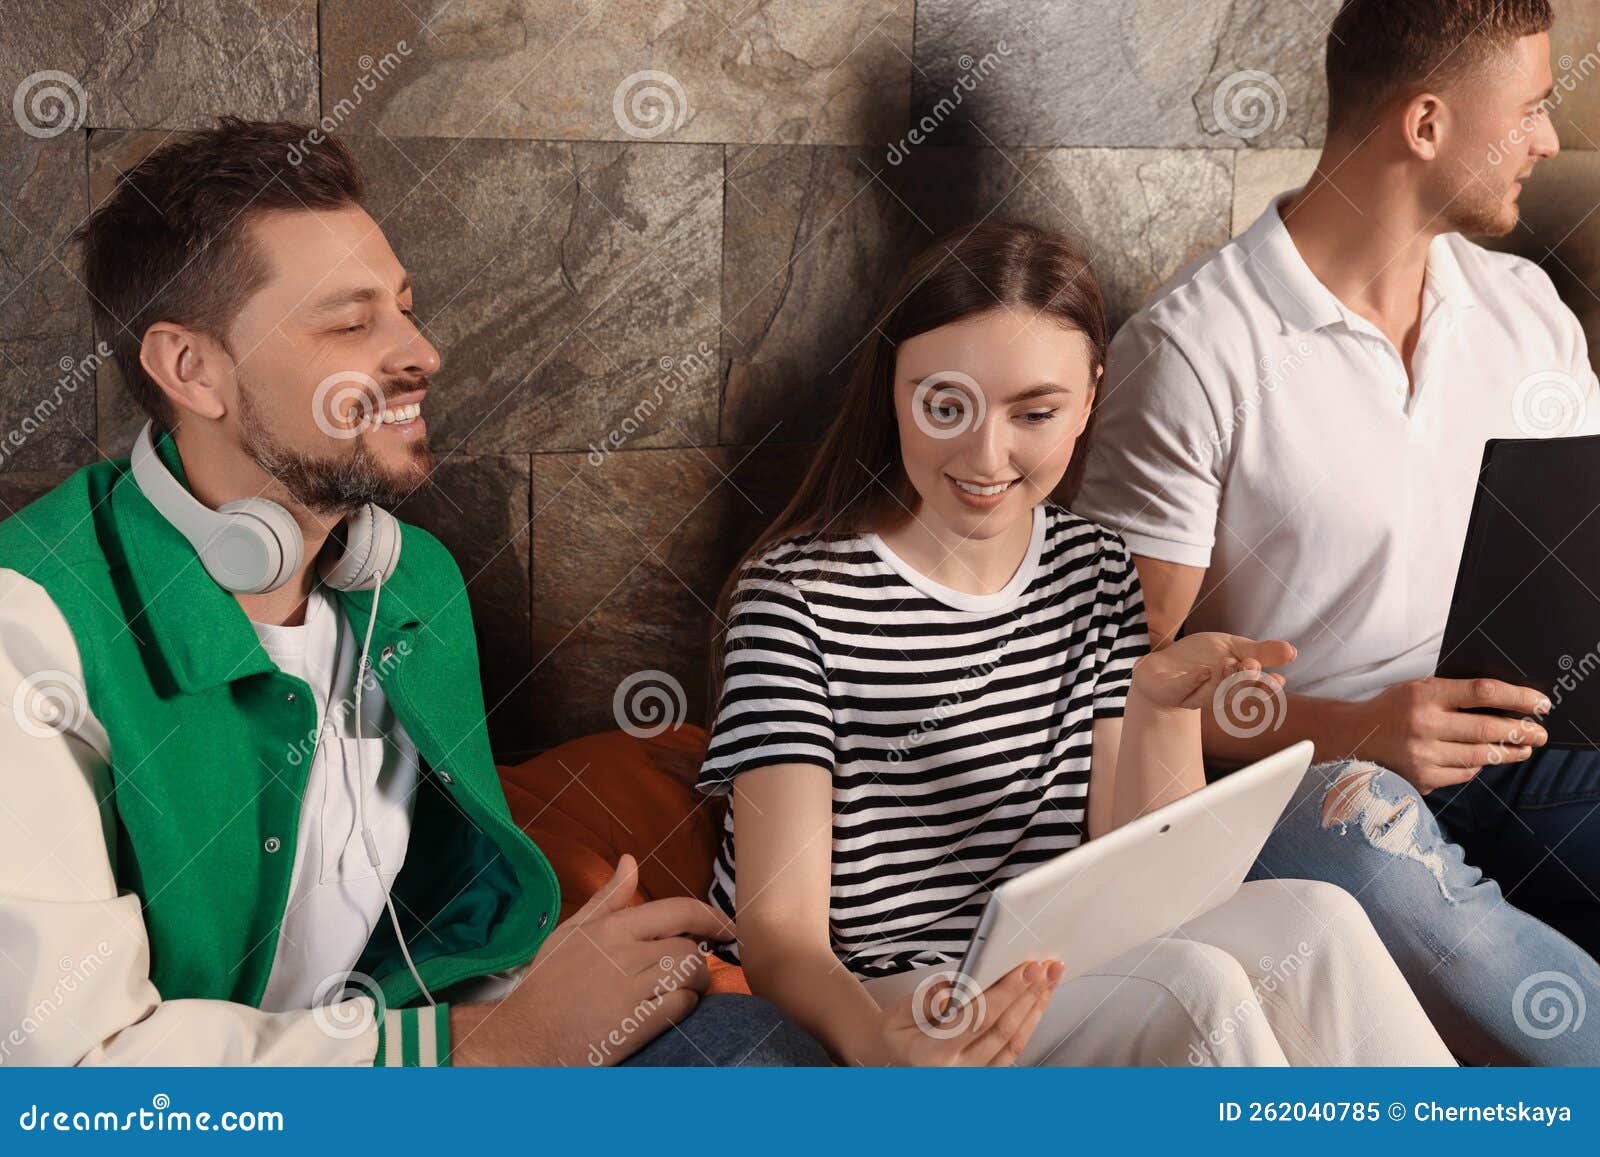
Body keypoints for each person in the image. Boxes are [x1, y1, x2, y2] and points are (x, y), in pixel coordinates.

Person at [0, 118, 827, 1068]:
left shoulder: (408, 579)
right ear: (193, 369)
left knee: (750, 1043)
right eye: (351, 323)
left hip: (405, 1063)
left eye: (403, 306)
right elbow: (77, 1075)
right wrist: (493, 1043)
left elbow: (434, 920)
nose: (423, 351)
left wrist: (564, 981)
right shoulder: (31, 628)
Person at [694, 221, 1454, 1066]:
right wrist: (877, 1045)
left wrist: (1158, 706)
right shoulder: (794, 599)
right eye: (944, 405)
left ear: (1090, 397)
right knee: (1195, 985)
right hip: (881, 990)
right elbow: (779, 933)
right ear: (892, 388)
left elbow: (1154, 891)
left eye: (1034, 412)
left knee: (1319, 916)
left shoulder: (1094, 567)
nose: (986, 454)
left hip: (1053, 962)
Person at [1073, 0, 1600, 1065]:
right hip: (1307, 780)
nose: (1548, 140)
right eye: (1531, 109)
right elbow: (1114, 682)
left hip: (1517, 742)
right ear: (1425, 125)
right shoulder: (1193, 349)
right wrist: (1363, 728)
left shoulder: (1526, 312)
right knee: (1372, 832)